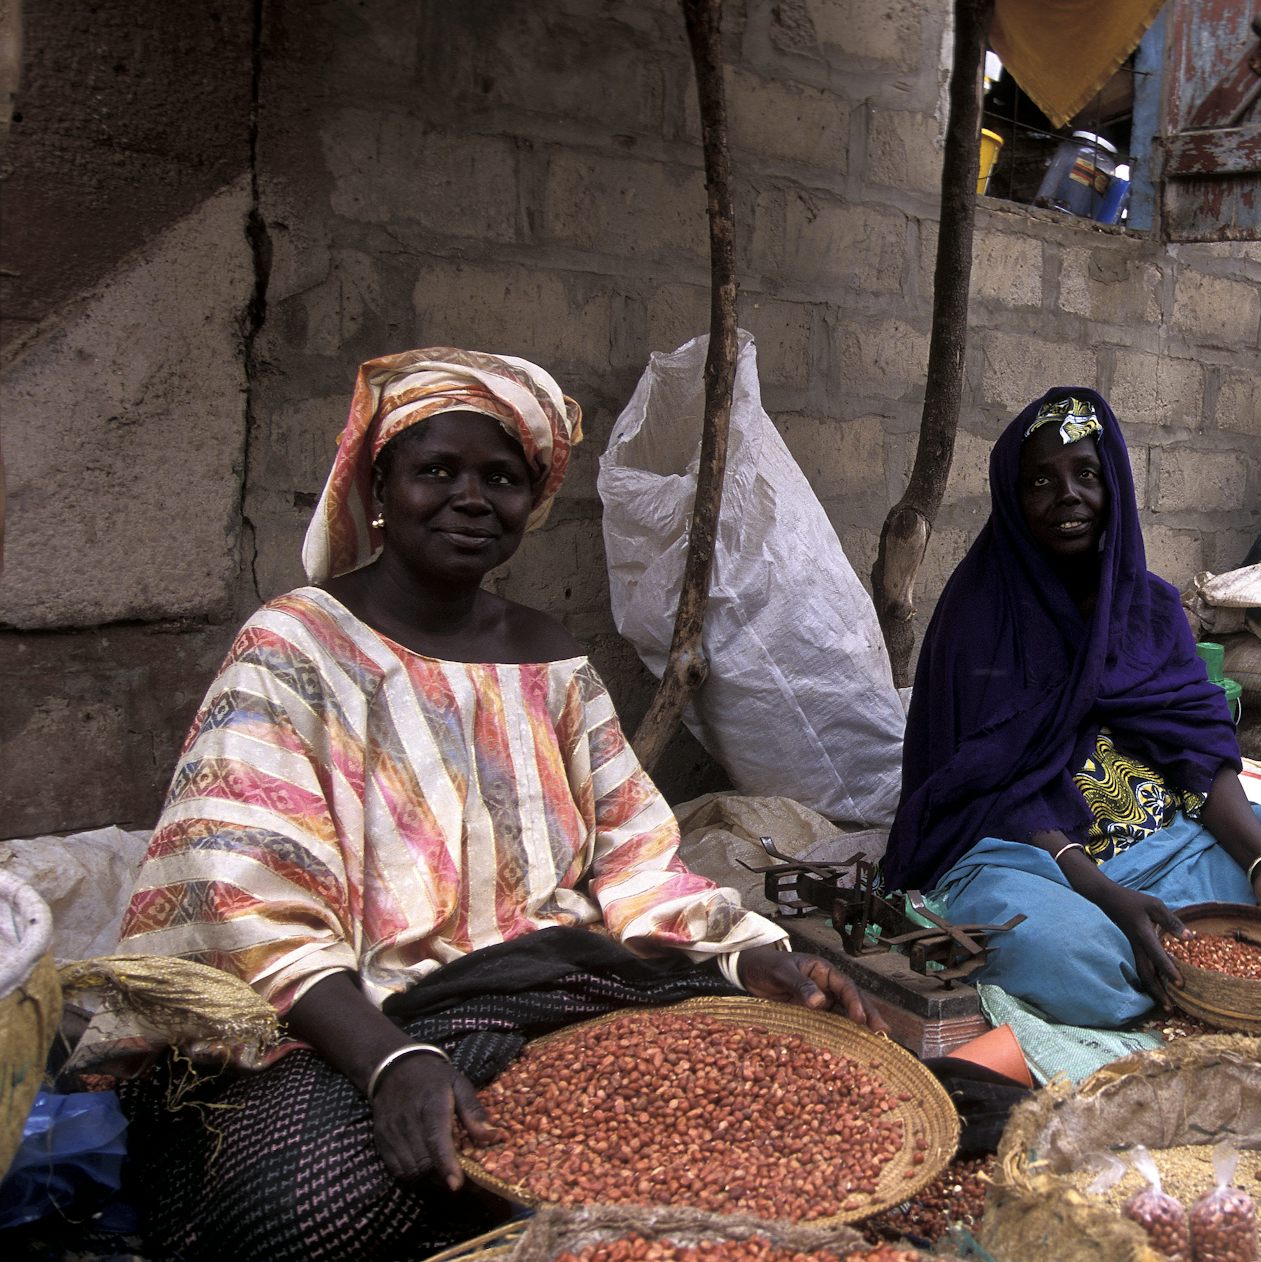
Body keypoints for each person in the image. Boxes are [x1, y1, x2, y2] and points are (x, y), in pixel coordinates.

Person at [116, 348, 883, 1262]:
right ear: (379, 485)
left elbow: (634, 857)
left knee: (807, 1102)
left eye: (502, 477)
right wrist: (391, 1060)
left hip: (554, 986)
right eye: (436, 469)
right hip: (366, 1015)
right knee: (295, 1213)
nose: (471, 498)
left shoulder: (549, 658)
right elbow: (243, 897)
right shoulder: (295, 649)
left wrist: (749, 959)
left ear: (533, 502)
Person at [882, 387, 1261, 1030]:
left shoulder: (1147, 609)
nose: (1068, 494)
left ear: (1115, 488)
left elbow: (1197, 746)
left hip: (1176, 840)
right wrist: (1105, 894)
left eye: (1087, 474)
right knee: (1083, 962)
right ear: (1013, 500)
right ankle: (1166, 932)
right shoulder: (981, 619)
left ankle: (1192, 919)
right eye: (1041, 480)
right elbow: (995, 782)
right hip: (1032, 859)